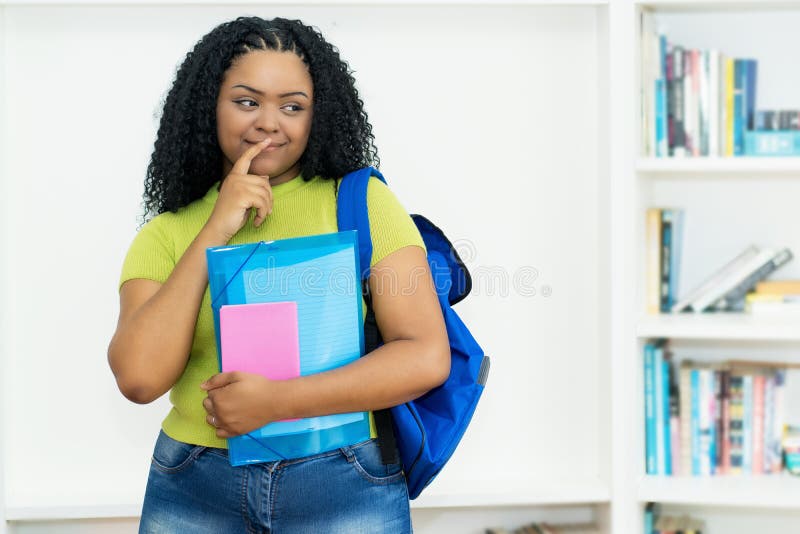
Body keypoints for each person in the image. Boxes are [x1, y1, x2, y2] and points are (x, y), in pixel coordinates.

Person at [107, 16, 449, 534]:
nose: (270, 122)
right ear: (208, 107)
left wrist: (276, 401)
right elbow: (138, 378)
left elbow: (425, 355)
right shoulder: (168, 233)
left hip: (343, 477)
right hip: (196, 481)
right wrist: (216, 227)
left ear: (318, 116)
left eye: (293, 106)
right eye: (247, 101)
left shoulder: (360, 204)